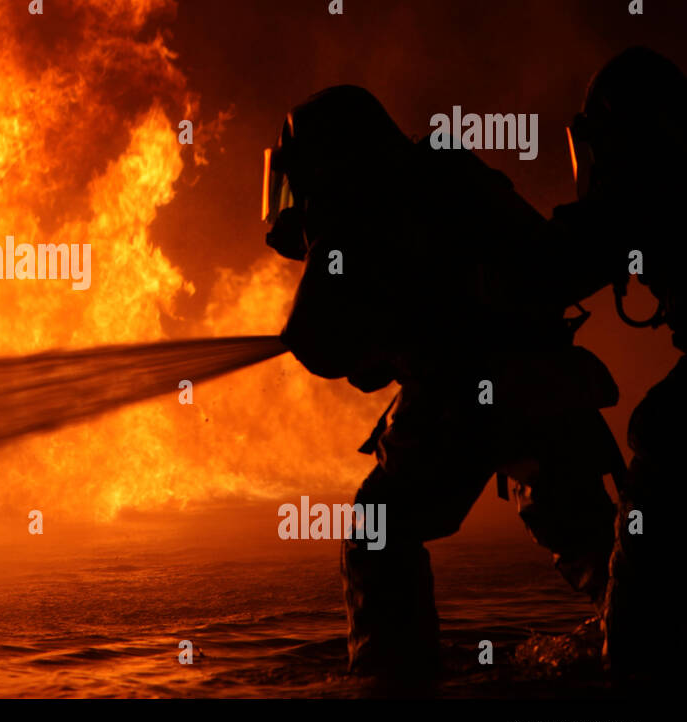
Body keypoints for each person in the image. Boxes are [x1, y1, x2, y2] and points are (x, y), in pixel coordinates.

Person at [263, 85, 624, 683]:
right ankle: (649, 645)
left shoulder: (353, 209)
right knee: (581, 528)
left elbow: (327, 345)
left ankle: (392, 680)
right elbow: (535, 264)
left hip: (462, 394)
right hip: (540, 378)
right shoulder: (445, 171)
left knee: (378, 526)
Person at [547, 46, 687, 686]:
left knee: (660, 443)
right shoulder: (663, 175)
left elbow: (552, 268)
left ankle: (631, 671)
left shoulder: (651, 185)